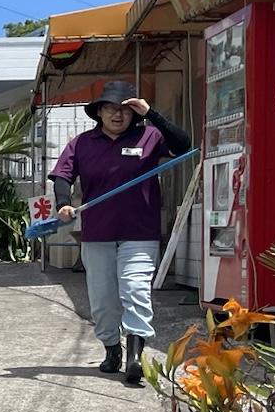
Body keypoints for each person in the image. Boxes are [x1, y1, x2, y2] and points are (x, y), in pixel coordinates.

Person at [48, 81, 192, 387]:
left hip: (139, 232)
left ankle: (135, 358)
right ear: (99, 112)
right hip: (97, 233)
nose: (118, 114)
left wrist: (152, 114)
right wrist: (62, 204)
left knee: (136, 290)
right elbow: (62, 175)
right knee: (103, 301)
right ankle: (112, 349)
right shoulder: (82, 143)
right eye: (111, 108)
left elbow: (183, 145)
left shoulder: (150, 135)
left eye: (125, 109)